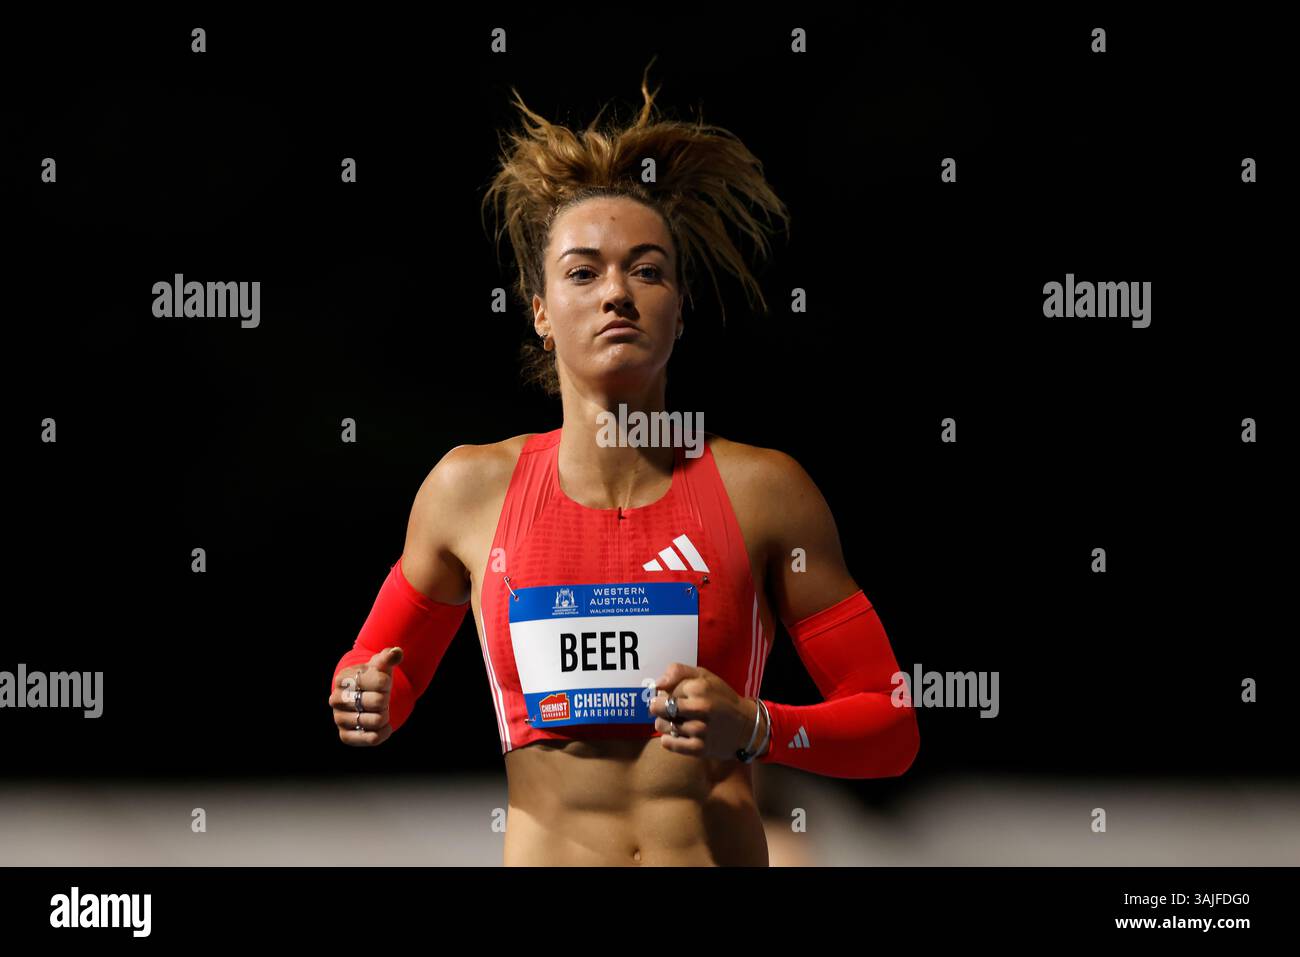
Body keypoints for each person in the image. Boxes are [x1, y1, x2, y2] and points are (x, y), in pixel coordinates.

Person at [328, 62, 919, 866]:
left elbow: (891, 727)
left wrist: (757, 726)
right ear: (539, 311)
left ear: (679, 307)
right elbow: (377, 679)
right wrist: (366, 696)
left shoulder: (764, 493)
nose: (617, 293)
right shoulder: (466, 491)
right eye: (583, 271)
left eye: (647, 270)